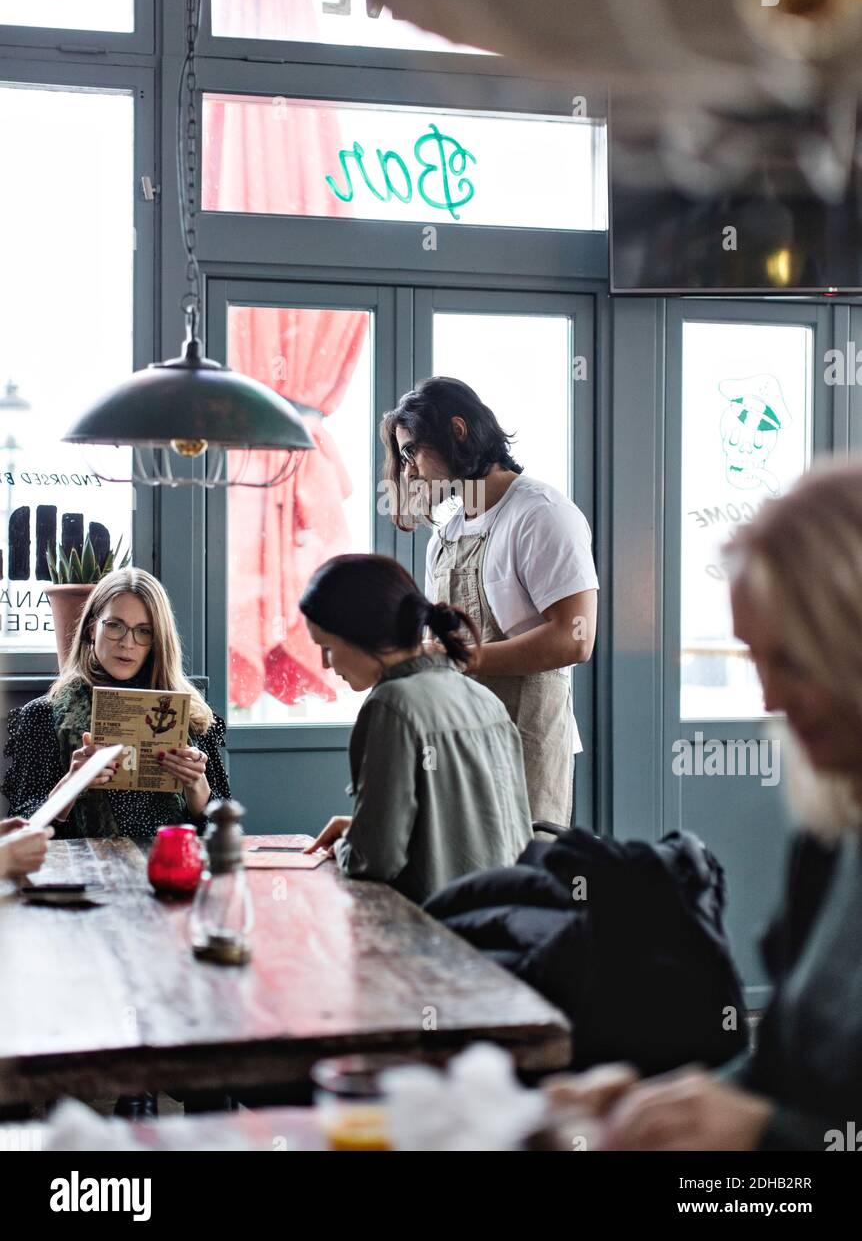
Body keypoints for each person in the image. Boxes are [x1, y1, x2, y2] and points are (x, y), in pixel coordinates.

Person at [543, 459, 862, 1150]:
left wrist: (764, 1135)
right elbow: (788, 1073)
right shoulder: (834, 839)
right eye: (757, 662)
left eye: (795, 661)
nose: (770, 701)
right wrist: (670, 1100)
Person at [380, 376, 598, 828]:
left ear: (457, 430)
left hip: (526, 740)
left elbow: (575, 639)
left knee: (518, 882)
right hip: (458, 740)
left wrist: (458, 659)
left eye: (412, 452)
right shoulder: (446, 534)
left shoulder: (540, 514)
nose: (410, 472)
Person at [301, 553, 534, 904]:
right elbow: (473, 833)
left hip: (437, 936)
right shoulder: (482, 698)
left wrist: (350, 846)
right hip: (501, 928)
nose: (325, 664)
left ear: (359, 634)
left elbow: (375, 862)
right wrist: (359, 830)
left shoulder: (391, 705)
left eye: (327, 647)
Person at [2, 567, 230, 840]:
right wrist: (70, 786)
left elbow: (229, 830)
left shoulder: (191, 717)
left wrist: (197, 786)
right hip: (83, 875)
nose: (127, 643)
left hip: (171, 869)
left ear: (157, 642)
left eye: (144, 631)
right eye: (114, 626)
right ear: (91, 629)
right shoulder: (43, 715)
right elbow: (19, 834)